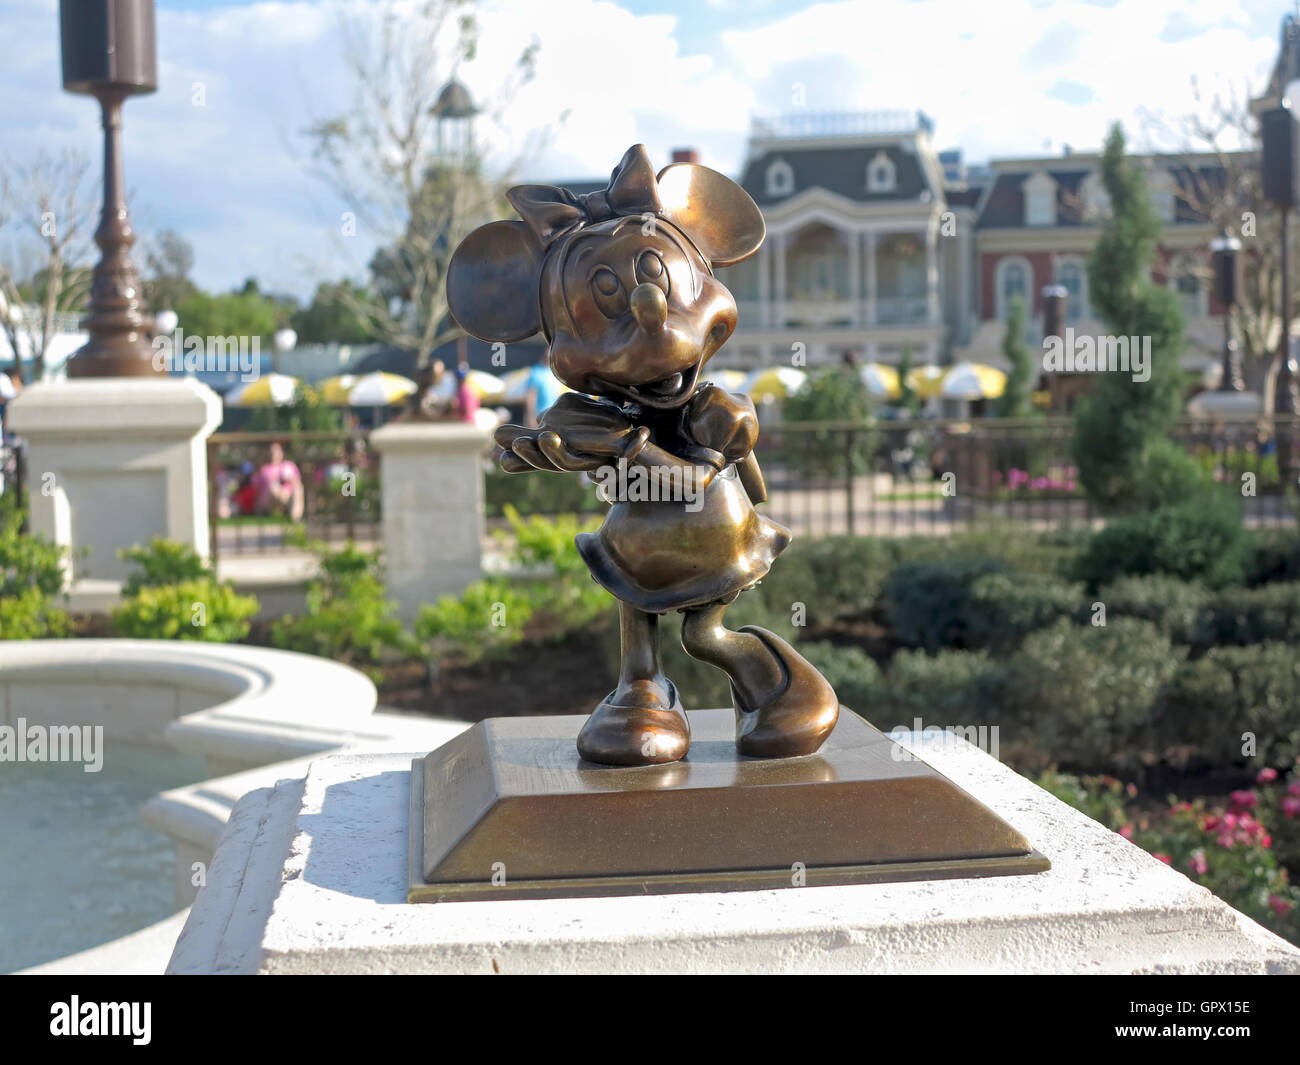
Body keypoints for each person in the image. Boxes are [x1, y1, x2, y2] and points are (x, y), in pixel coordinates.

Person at [255, 441, 304, 521]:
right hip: (271, 500)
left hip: (289, 496)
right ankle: (292, 516)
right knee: (273, 486)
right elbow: (262, 490)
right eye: (273, 452)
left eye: (277, 451)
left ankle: (295, 518)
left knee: (298, 489)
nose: (275, 454)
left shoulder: (289, 465)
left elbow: (297, 481)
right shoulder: (265, 469)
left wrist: (289, 479)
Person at [524, 354, 563, 427]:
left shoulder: (555, 372)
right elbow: (530, 396)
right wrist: (531, 417)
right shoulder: (535, 372)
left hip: (554, 417)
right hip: (540, 417)